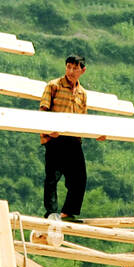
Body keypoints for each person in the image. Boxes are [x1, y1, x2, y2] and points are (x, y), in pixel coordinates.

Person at [39, 53, 89, 221]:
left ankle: (68, 212)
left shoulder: (82, 93)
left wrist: (97, 134)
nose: (71, 71)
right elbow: (43, 111)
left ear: (83, 70)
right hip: (56, 138)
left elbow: (84, 119)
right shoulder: (54, 86)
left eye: (75, 68)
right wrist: (48, 132)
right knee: (52, 177)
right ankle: (51, 212)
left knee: (79, 178)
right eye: (68, 67)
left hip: (74, 140)